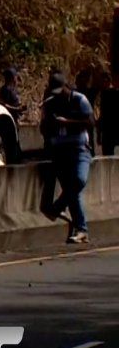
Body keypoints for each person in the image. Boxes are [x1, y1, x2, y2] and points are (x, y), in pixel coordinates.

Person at [40, 72, 94, 244]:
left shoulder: (79, 100)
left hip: (79, 149)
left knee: (78, 180)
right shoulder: (49, 104)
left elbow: (90, 122)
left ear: (66, 86)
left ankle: (56, 208)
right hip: (60, 151)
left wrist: (67, 122)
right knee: (72, 191)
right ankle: (81, 229)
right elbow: (43, 128)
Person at [99, 73, 118, 156]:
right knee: (107, 155)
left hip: (112, 127)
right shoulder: (102, 94)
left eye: (105, 80)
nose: (103, 82)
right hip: (107, 129)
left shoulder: (113, 92)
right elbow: (101, 114)